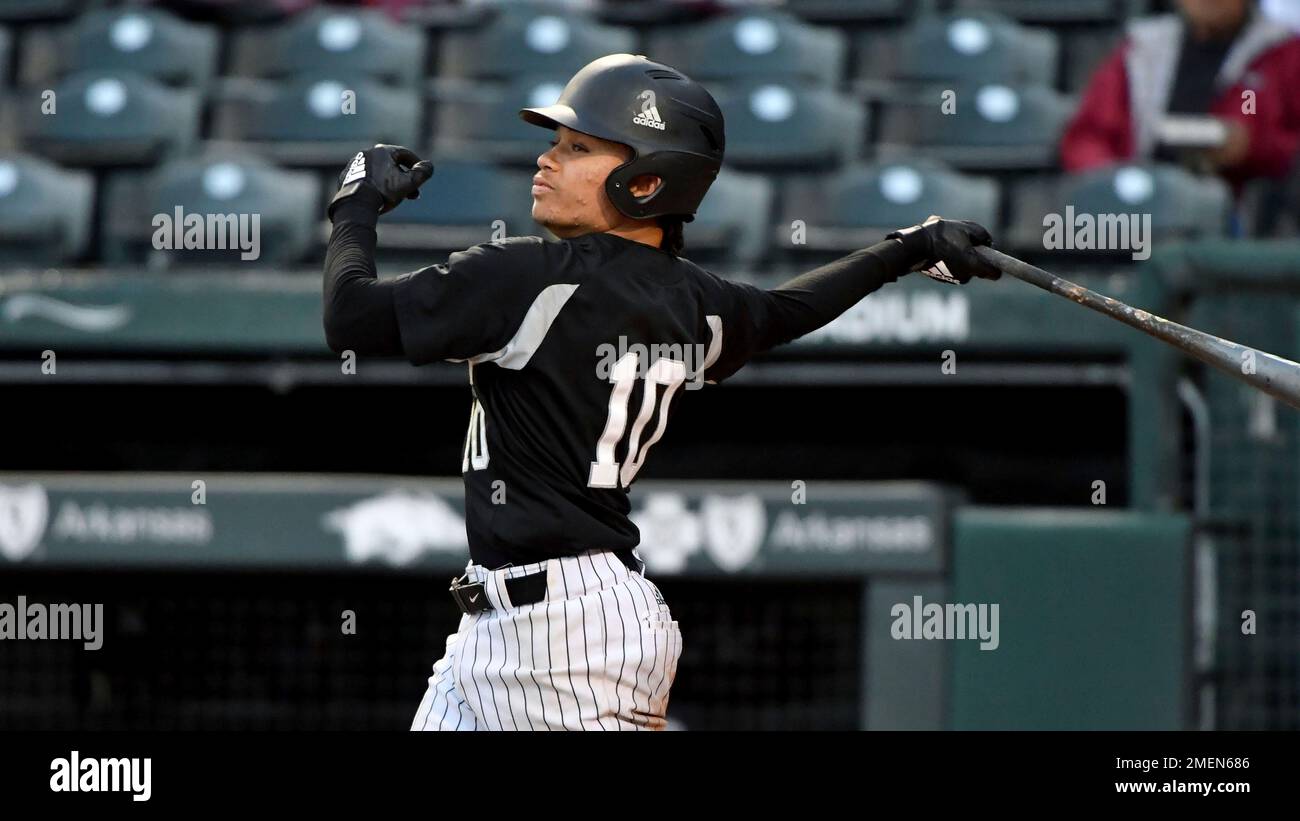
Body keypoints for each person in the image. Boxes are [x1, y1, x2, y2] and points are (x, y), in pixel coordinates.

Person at [321, 53, 1000, 731]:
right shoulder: (695, 300)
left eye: (578, 147)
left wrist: (355, 206)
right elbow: (786, 310)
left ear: (647, 181)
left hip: (565, 643)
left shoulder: (530, 275)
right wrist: (904, 250)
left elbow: (349, 316)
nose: (547, 160)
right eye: (555, 142)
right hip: (521, 624)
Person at [1061, 0, 1300, 189]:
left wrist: (1253, 149)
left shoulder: (1283, 54)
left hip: (1242, 211)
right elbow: (1087, 138)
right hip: (1143, 205)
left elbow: (1289, 146)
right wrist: (1119, 184)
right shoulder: (1141, 50)